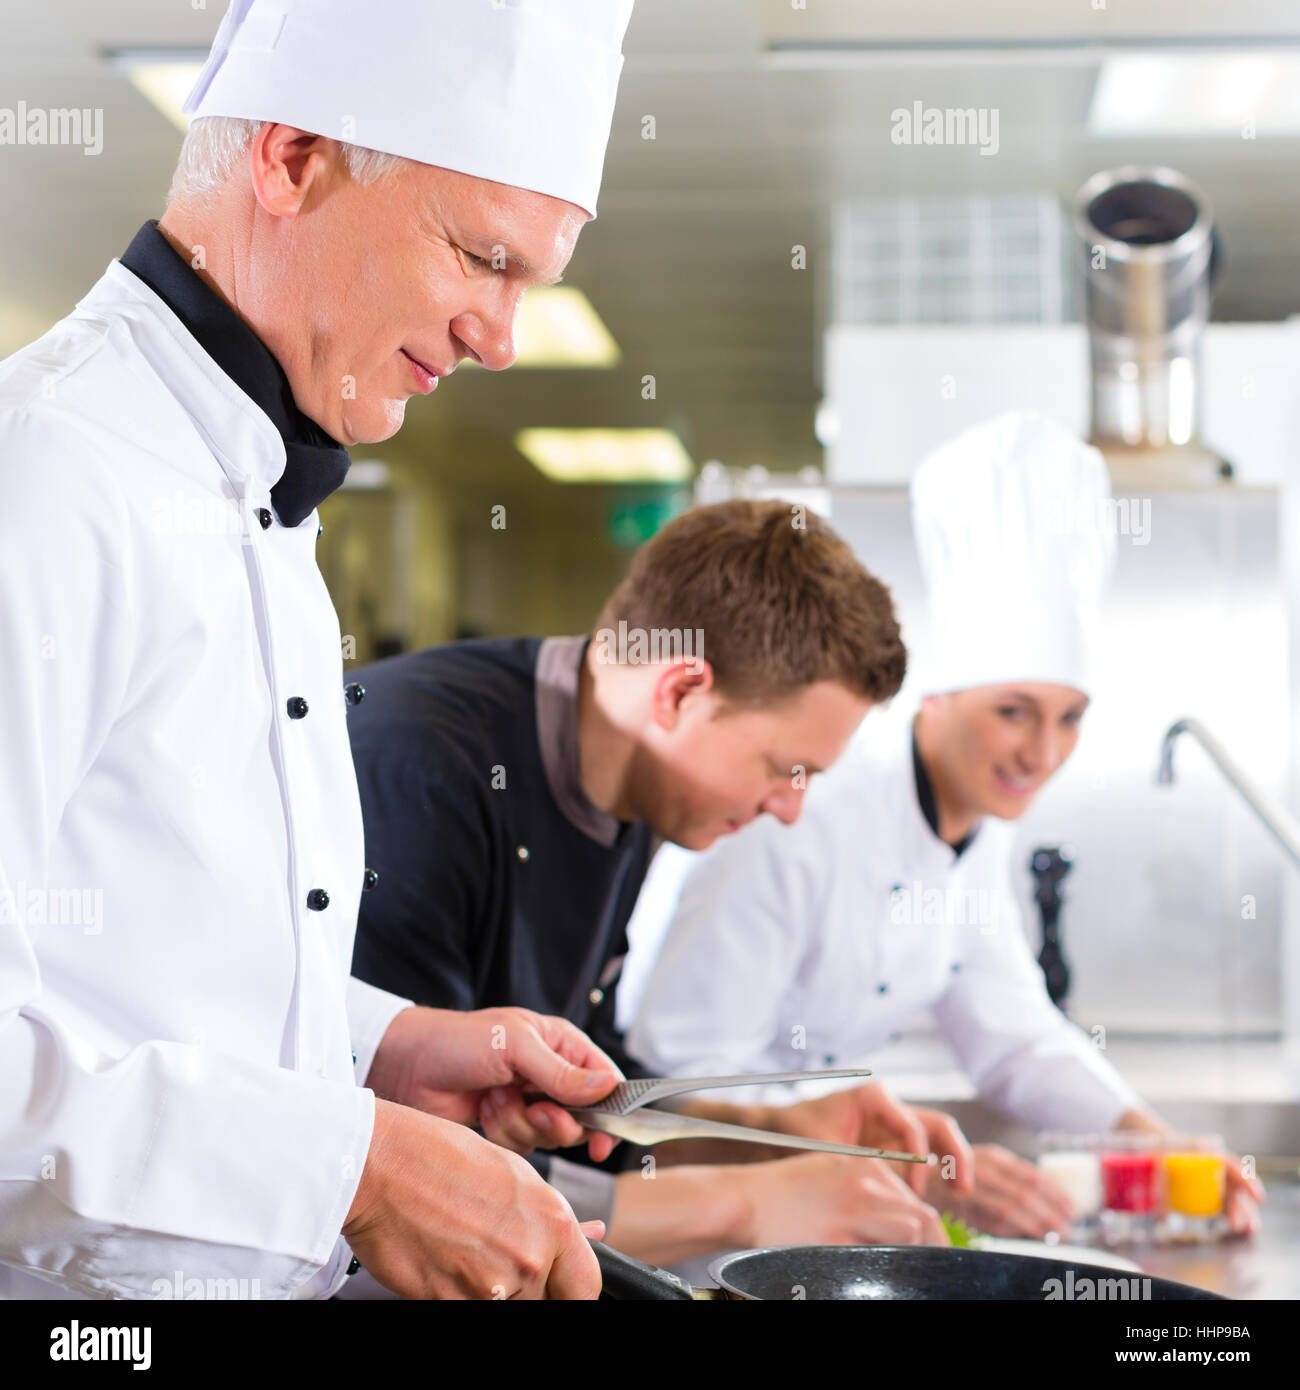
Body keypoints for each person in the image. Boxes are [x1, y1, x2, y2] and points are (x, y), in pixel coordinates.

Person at [0, 0, 639, 1301]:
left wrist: (381, 1047)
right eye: (481, 257)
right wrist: (347, 1166)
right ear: (291, 159)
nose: (501, 339)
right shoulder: (47, 477)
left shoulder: (258, 485)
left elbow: (138, 970)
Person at [623, 413, 1265, 1240]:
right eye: (1013, 713)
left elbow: (1014, 1036)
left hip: (817, 1211)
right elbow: (677, 1079)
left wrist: (1153, 1140)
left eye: (1070, 719)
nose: (1043, 752)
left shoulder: (972, 831)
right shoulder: (801, 809)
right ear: (937, 698)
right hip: (694, 1214)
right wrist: (899, 1167)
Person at [346, 499, 977, 1278]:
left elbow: (581, 1109)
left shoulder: (638, 791)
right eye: (784, 769)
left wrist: (775, 1134)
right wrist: (750, 1202)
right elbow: (426, 1187)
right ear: (679, 693)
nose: (790, 810)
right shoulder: (421, 774)